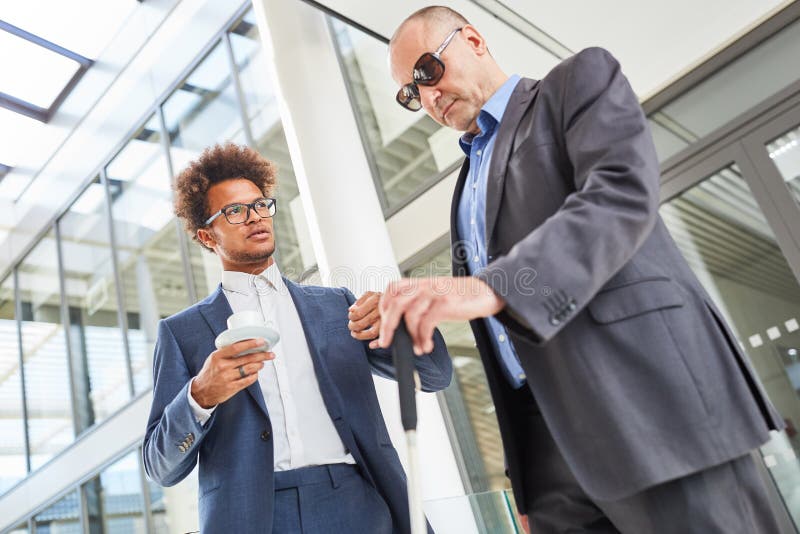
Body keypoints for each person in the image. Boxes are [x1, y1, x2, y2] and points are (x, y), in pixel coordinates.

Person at [375, 5, 785, 533]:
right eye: (411, 93)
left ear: (473, 40)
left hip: (650, 412)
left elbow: (620, 193)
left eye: (428, 71)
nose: (428, 97)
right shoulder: (463, 188)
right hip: (549, 459)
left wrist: (486, 287)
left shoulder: (575, 83)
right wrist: (524, 479)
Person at [142, 143, 452, 534]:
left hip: (358, 503)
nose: (255, 218)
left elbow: (435, 374)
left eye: (260, 205)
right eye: (235, 211)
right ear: (206, 236)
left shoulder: (337, 306)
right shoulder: (182, 333)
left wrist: (403, 319)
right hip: (254, 518)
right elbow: (160, 465)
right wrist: (200, 395)